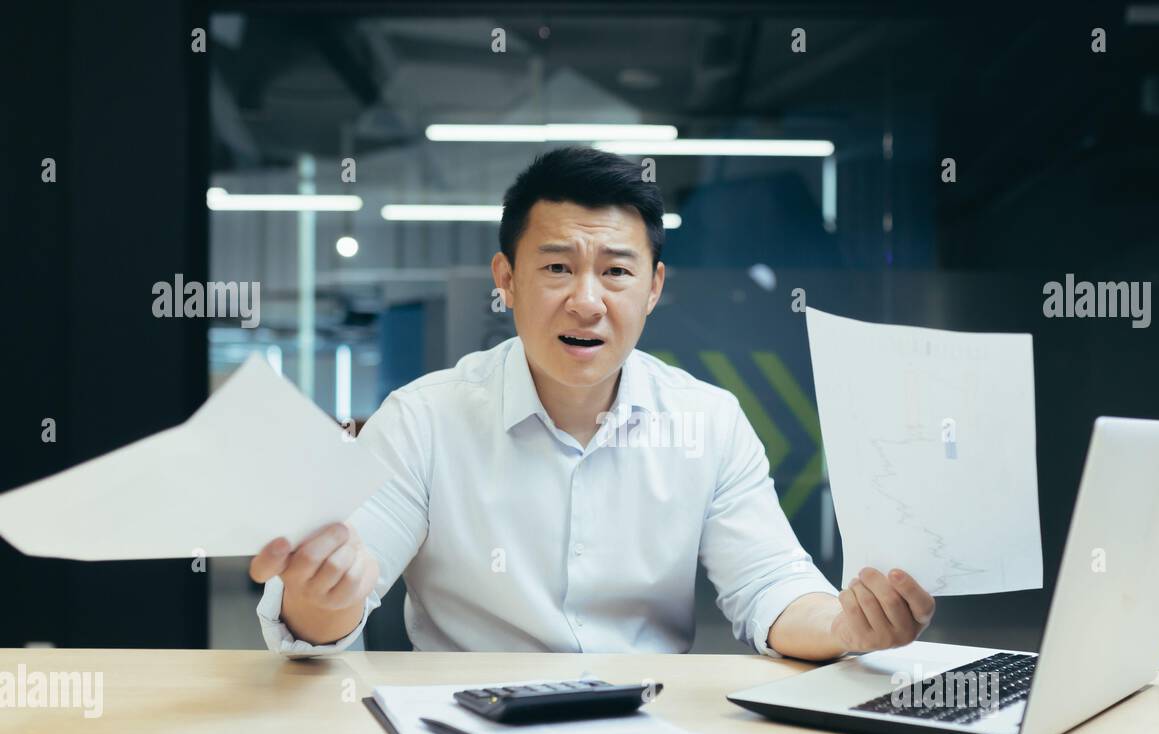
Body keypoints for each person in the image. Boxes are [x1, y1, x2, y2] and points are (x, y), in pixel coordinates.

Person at [249, 146, 935, 660]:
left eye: (615, 271)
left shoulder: (709, 423)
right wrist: (320, 598)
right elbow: (336, 599)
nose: (586, 300)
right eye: (556, 268)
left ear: (654, 287)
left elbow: (770, 589)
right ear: (506, 280)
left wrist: (847, 628)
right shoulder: (424, 420)